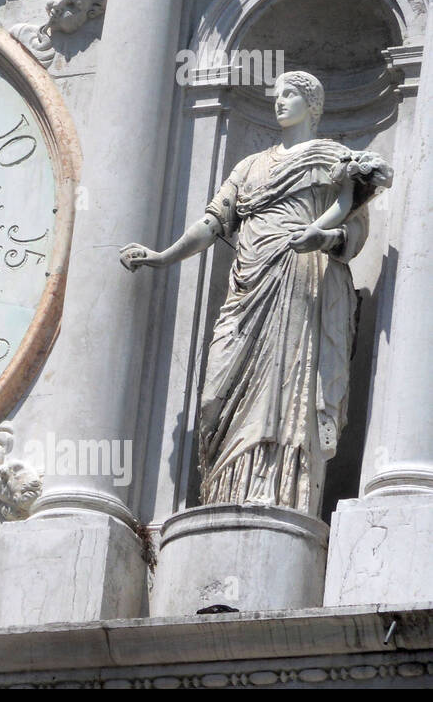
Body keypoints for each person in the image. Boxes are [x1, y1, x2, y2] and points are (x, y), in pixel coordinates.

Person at [120, 72, 391, 517]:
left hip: (302, 280)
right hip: (249, 287)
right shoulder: (248, 167)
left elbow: (355, 227)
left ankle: (283, 496)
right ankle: (224, 492)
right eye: (277, 94)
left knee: (291, 387)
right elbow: (212, 223)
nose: (279, 101)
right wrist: (163, 256)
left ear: (314, 104)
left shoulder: (333, 159)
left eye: (290, 94)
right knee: (217, 390)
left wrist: (321, 240)